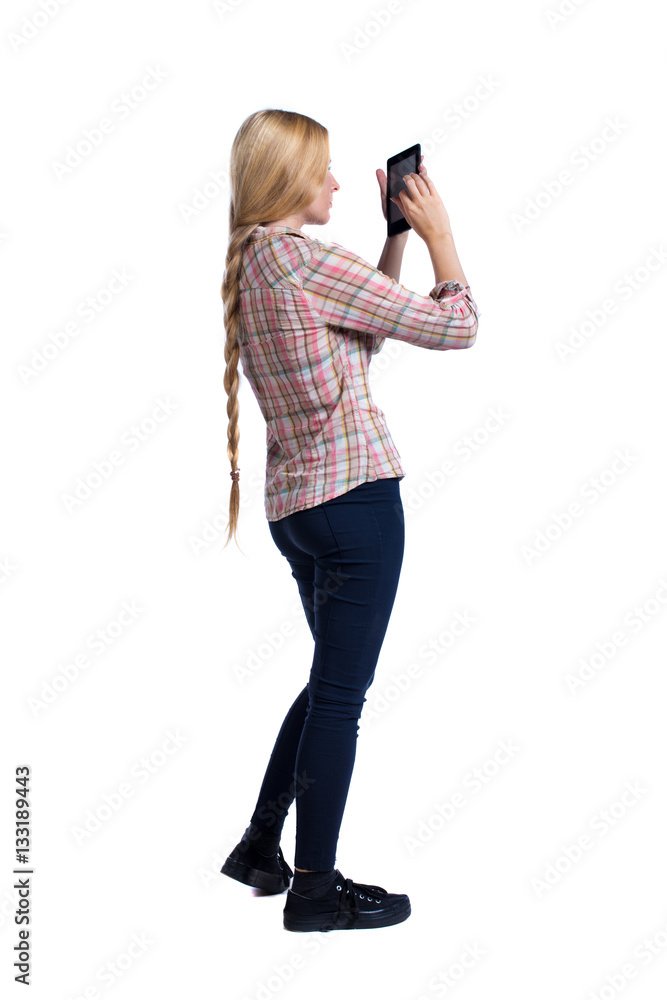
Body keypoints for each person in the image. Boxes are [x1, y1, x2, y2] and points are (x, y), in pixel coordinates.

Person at [219, 109, 479, 932]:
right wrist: (440, 236)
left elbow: (356, 336)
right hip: (355, 507)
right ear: (294, 180)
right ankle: (315, 891)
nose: (335, 182)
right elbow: (455, 326)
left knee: (327, 687)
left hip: (298, 511)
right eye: (325, 171)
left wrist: (390, 240)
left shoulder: (262, 264)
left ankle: (261, 848)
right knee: (340, 701)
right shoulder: (304, 259)